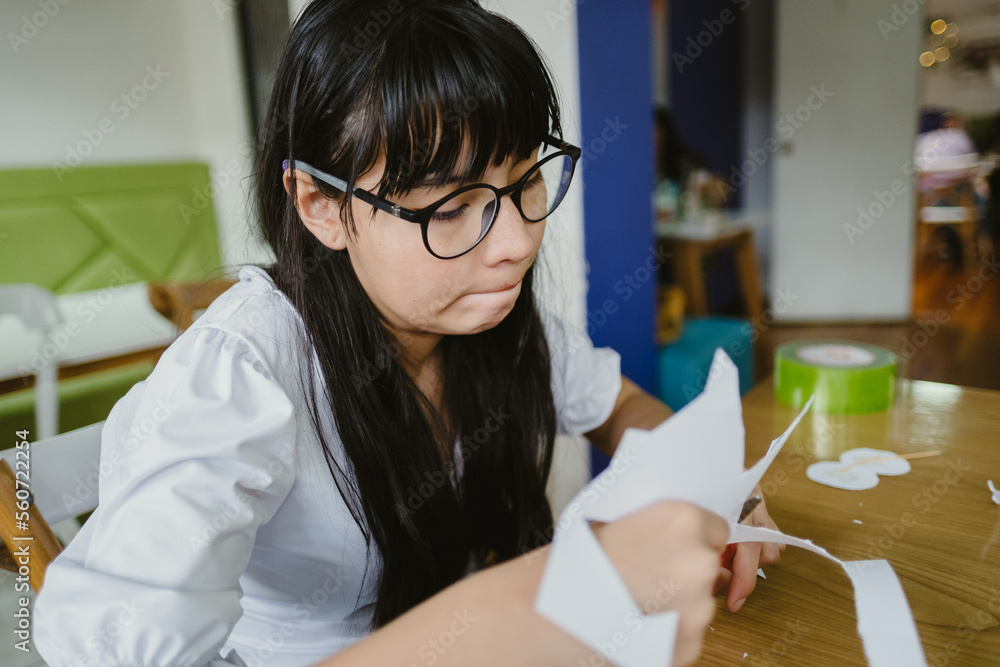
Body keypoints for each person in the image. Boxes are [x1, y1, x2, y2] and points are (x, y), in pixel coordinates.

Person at [33, 2, 782, 665]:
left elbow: (619, 406)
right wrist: (536, 605)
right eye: (450, 207)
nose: (517, 241)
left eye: (525, 181)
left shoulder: (491, 315)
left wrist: (717, 490)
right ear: (322, 205)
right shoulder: (242, 374)